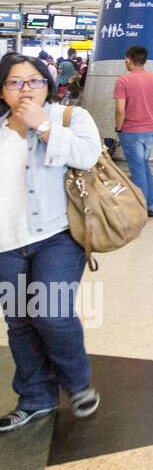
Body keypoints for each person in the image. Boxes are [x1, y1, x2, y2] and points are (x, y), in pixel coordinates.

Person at [0, 53, 103, 432]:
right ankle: (36, 398)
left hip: (56, 237)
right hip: (5, 245)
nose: (26, 89)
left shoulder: (70, 118)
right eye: (15, 82)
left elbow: (87, 155)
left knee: (52, 314)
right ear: (2, 90)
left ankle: (77, 384)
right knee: (20, 321)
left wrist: (42, 126)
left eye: (35, 81)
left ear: (49, 84)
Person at [113, 44, 153, 218]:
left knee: (137, 171)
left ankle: (141, 209)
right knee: (144, 167)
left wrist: (119, 127)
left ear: (128, 60)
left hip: (131, 131)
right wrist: (151, 119)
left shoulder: (123, 81)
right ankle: (152, 205)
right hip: (151, 131)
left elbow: (120, 110)